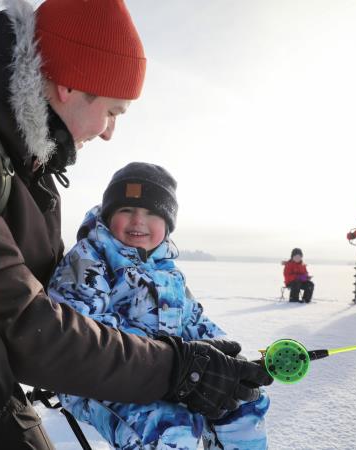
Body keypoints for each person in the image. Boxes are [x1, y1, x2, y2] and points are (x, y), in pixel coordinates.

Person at [0, 1, 271, 448]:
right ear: (69, 85)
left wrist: (185, 354)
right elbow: (17, 319)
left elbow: (52, 309)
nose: (109, 132)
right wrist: (172, 369)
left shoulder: (27, 167)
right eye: (113, 111)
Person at [49, 162, 270, 449]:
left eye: (152, 213)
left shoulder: (168, 272)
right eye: (126, 210)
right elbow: (83, 332)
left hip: (172, 376)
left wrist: (227, 361)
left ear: (167, 224)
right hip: (96, 380)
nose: (138, 221)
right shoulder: (89, 260)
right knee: (170, 429)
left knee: (244, 403)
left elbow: (193, 321)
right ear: (108, 215)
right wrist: (171, 366)